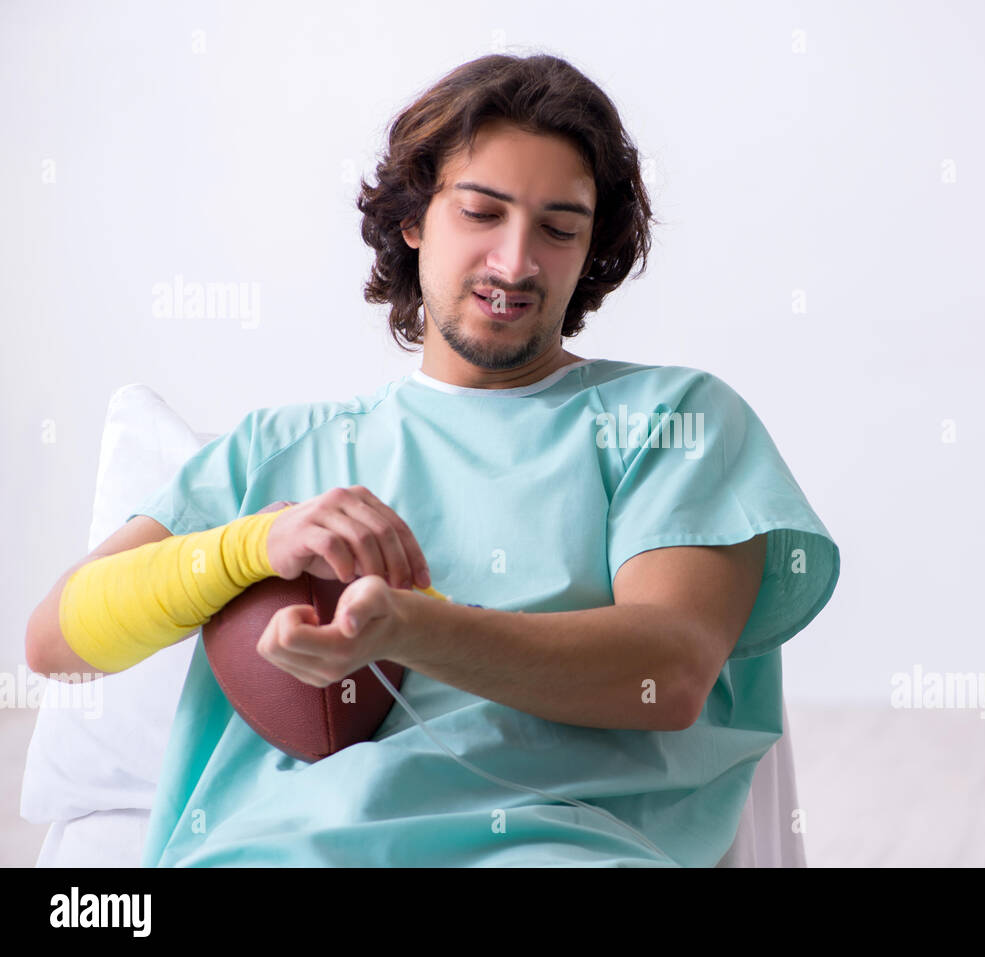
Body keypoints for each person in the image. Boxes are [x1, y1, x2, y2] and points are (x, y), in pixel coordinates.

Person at [26, 53, 839, 867]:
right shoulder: (278, 449)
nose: (516, 262)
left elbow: (670, 669)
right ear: (415, 219)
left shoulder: (670, 422)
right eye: (482, 212)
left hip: (557, 848)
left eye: (559, 229)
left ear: (590, 250)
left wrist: (413, 627)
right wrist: (248, 547)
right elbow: (56, 643)